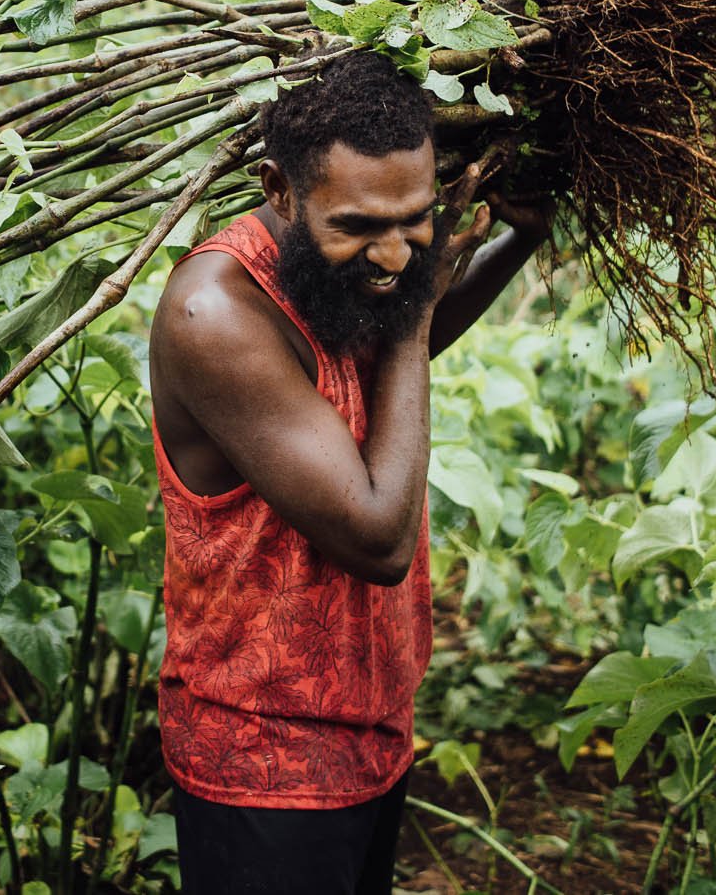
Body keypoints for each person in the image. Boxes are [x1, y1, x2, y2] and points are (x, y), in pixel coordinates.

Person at [147, 49, 551, 895]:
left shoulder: (331, 273)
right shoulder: (215, 313)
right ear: (280, 189)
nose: (396, 256)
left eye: (415, 220)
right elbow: (378, 537)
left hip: (367, 727)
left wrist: (521, 239)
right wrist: (415, 320)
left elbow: (374, 372)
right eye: (361, 226)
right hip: (263, 754)